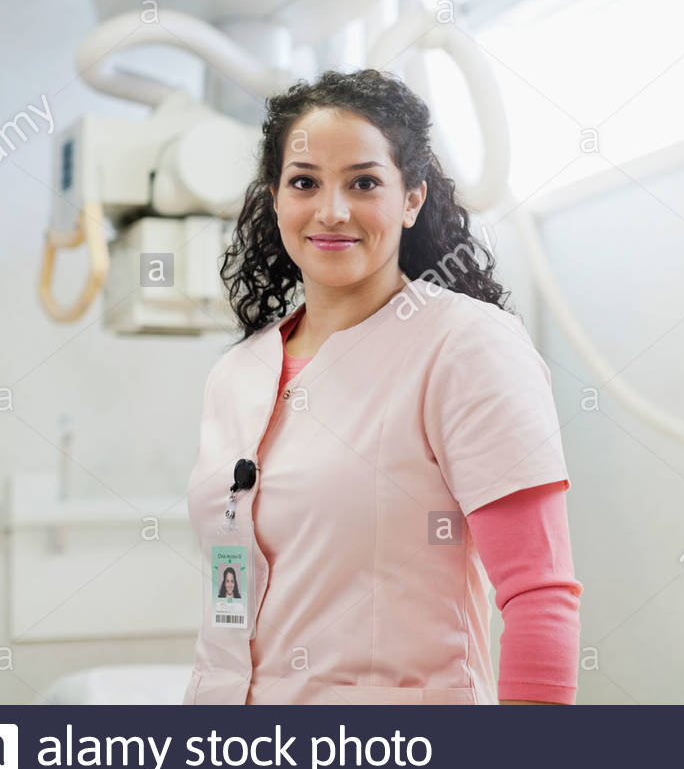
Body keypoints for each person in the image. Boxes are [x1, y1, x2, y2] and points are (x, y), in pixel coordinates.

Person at [182, 69, 581, 705]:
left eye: (364, 182)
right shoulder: (238, 374)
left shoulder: (464, 346)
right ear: (276, 198)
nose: (331, 210)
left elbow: (539, 594)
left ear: (412, 198)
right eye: (305, 182)